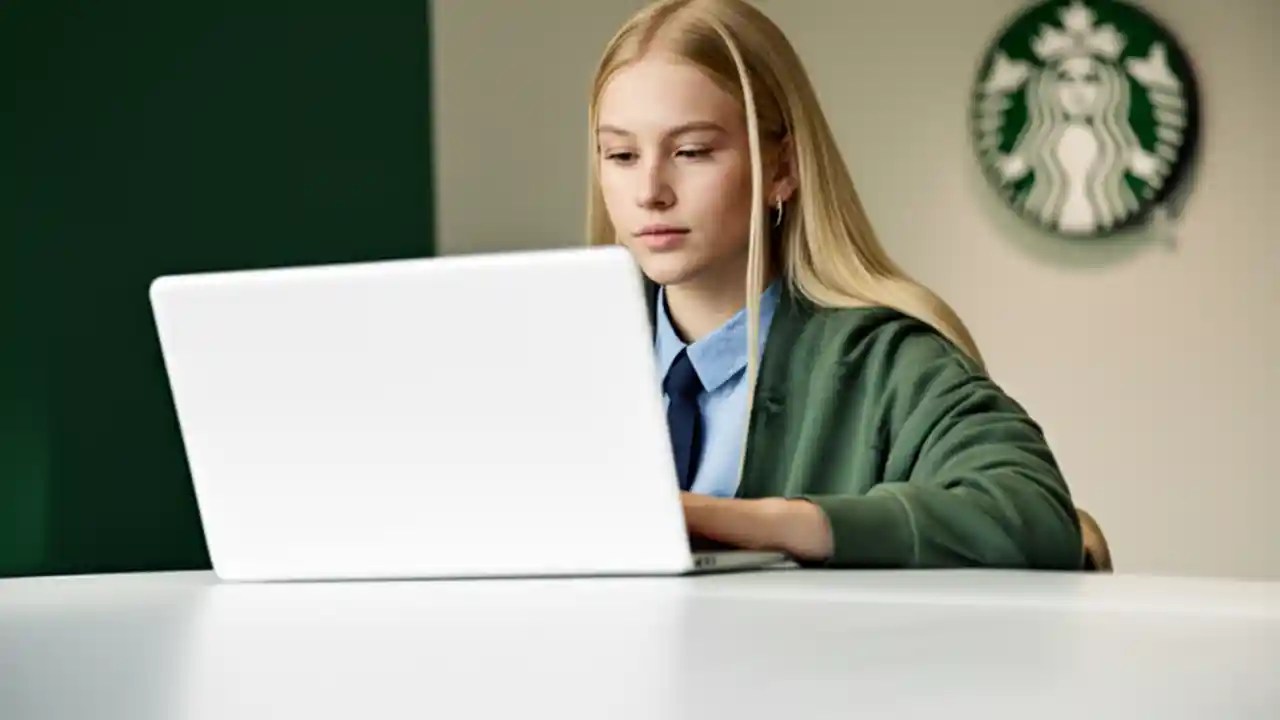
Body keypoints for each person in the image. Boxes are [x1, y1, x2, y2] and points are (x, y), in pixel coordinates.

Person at [586, 0, 1086, 569]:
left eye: (692, 151)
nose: (650, 190)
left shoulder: (888, 361)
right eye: (621, 154)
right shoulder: (565, 359)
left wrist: (756, 524)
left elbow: (1037, 515)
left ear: (782, 169)